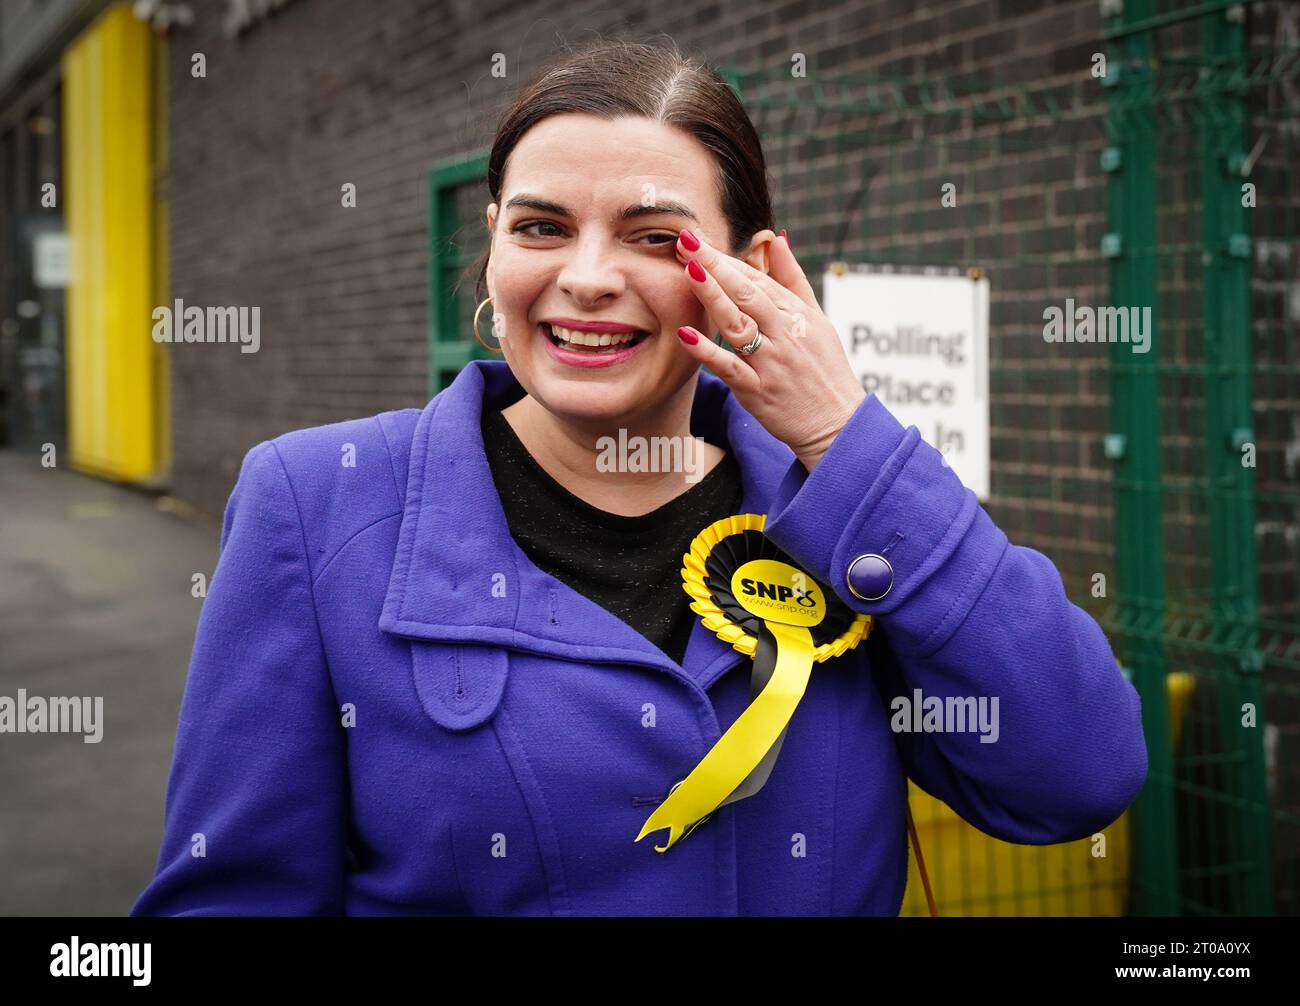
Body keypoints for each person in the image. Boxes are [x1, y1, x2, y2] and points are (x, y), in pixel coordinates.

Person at [131, 38, 1147, 916]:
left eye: (654, 238)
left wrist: (847, 439)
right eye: (539, 227)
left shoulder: (849, 508)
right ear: (491, 251)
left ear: (746, 268)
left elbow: (1077, 775)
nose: (584, 276)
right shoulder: (316, 504)